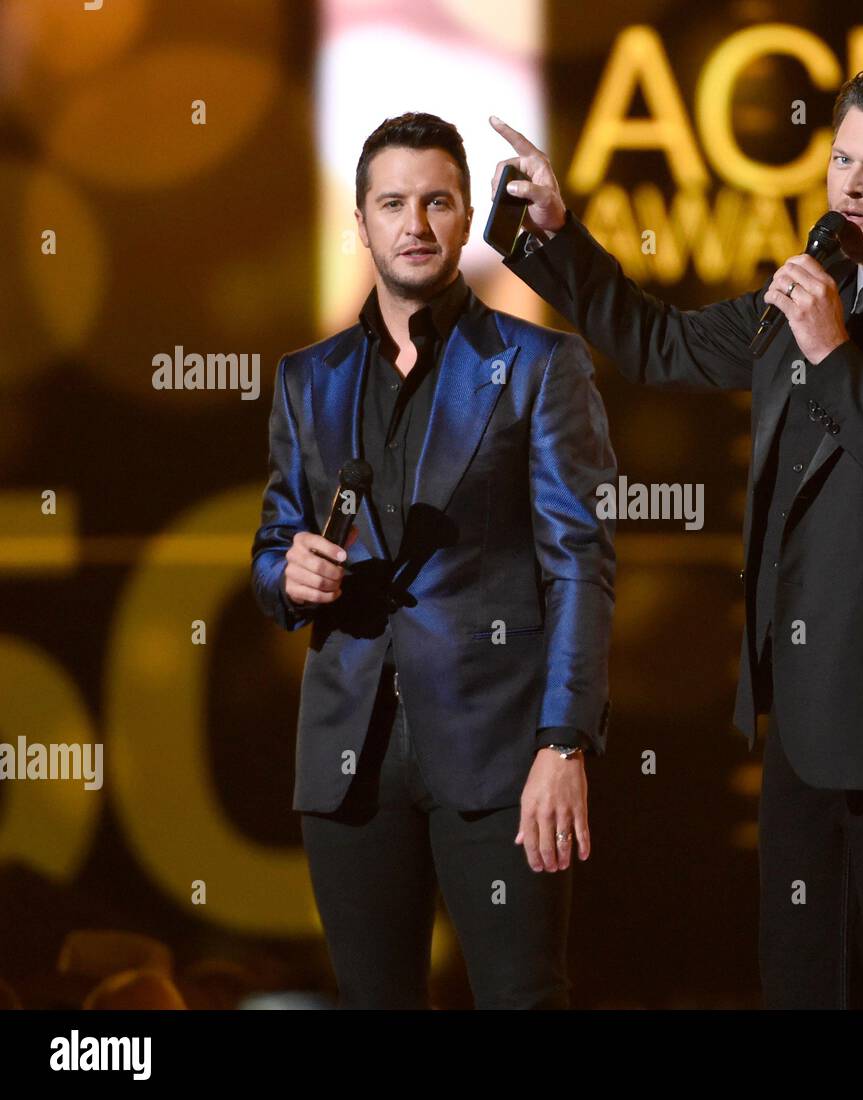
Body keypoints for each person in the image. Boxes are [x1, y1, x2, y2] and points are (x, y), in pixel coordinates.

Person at [492, 64, 863, 1009]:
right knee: (802, 985)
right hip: (803, 727)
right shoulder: (808, 292)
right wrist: (556, 237)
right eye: (842, 159)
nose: (849, 187)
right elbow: (656, 344)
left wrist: (834, 353)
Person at [250, 112, 616, 1008]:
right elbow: (273, 543)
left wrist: (563, 740)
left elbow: (581, 563)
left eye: (437, 201)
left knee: (523, 995)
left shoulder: (541, 366)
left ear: (464, 218)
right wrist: (285, 575)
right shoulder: (310, 378)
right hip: (350, 754)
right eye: (393, 203)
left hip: (500, 755)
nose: (415, 223)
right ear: (363, 221)